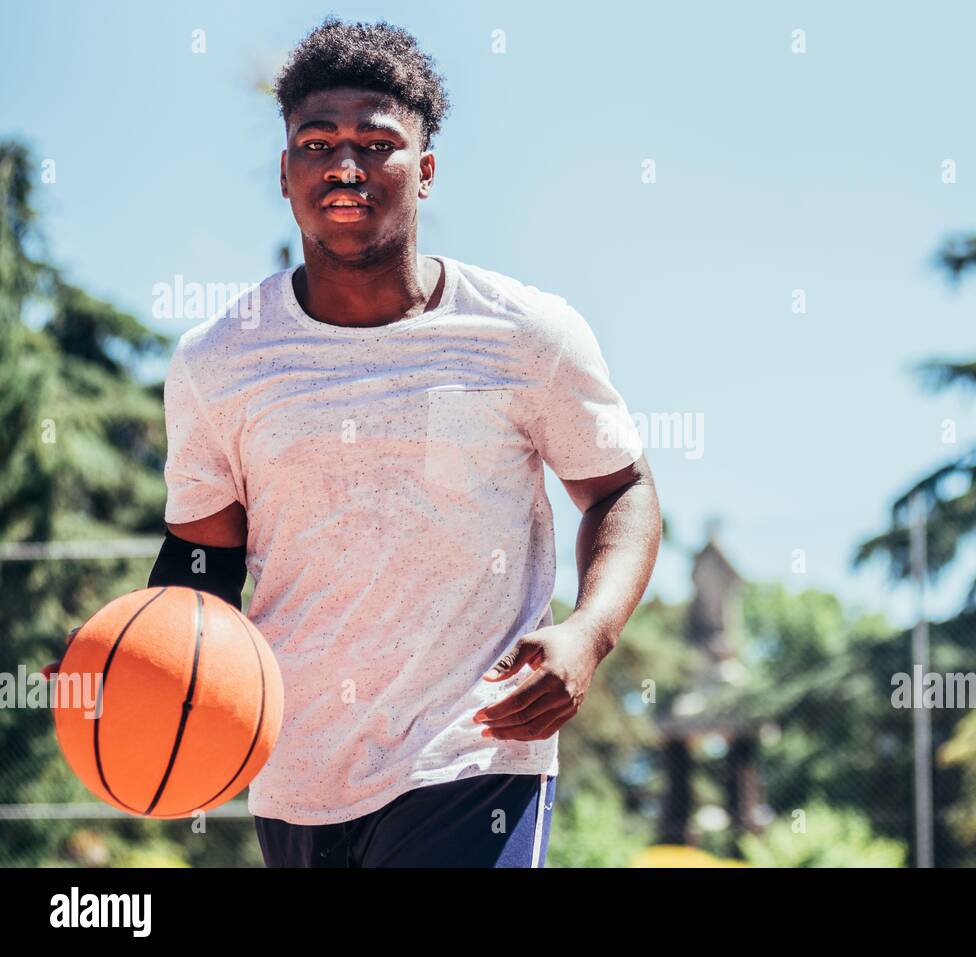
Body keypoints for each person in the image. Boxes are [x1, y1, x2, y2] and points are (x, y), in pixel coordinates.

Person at [54, 17, 660, 868]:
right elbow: (203, 560)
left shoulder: (525, 335)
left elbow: (622, 490)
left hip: (474, 755)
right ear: (284, 171)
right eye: (317, 142)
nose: (345, 165)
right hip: (293, 766)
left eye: (378, 142)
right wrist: (128, 663)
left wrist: (588, 633)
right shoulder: (216, 362)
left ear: (427, 170)